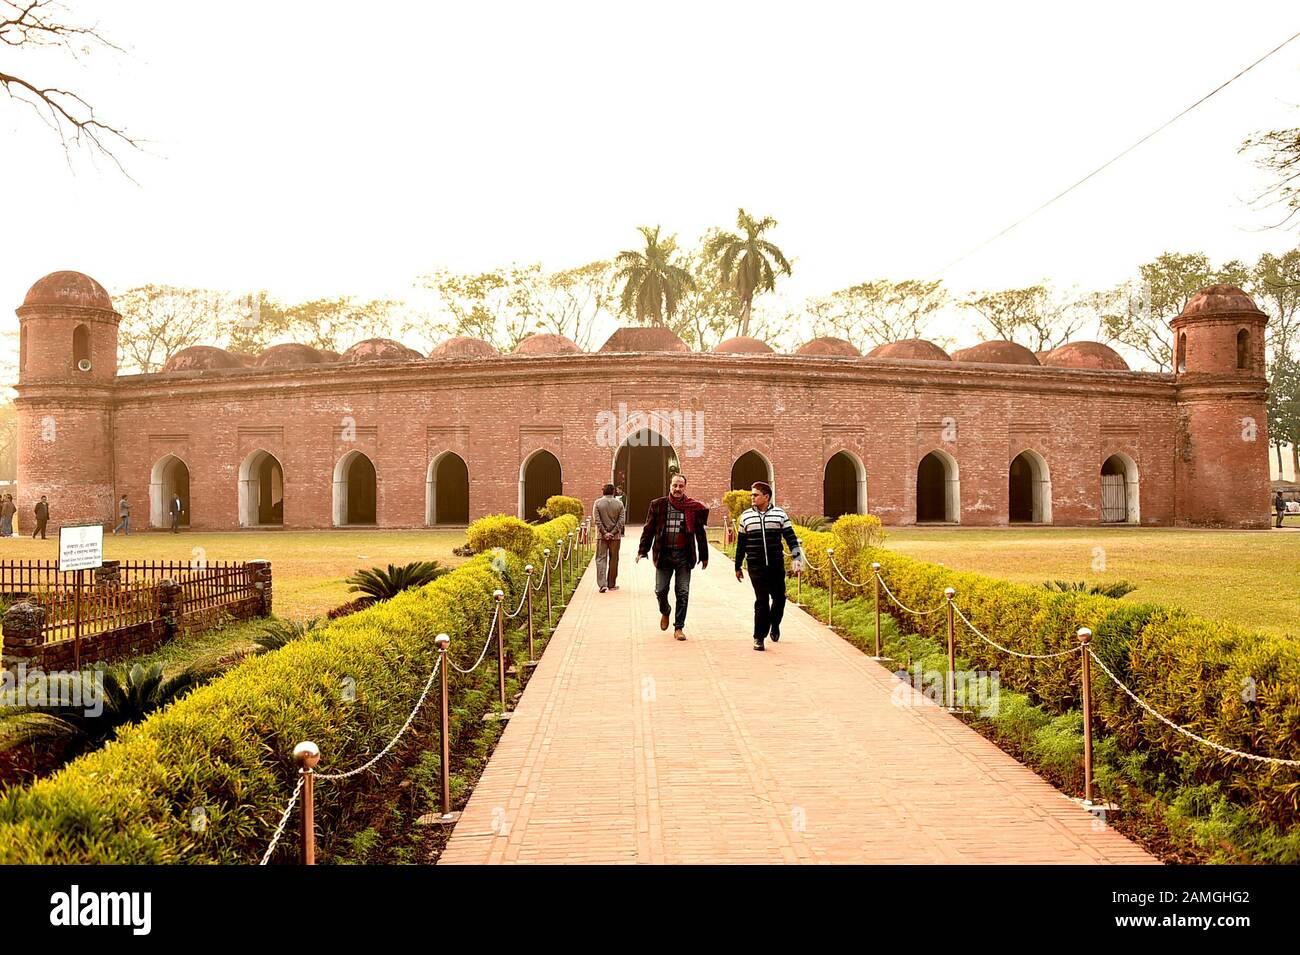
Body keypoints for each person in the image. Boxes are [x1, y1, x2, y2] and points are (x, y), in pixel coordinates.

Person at [637, 473, 708, 641]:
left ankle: (679, 627)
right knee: (660, 590)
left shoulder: (692, 507)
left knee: (682, 592)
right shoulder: (658, 505)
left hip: (684, 554)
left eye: (681, 486)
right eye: (675, 485)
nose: (677, 489)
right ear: (670, 486)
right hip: (664, 554)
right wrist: (642, 550)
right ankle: (665, 611)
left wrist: (704, 555)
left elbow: (700, 533)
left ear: (685, 488)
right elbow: (649, 529)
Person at [734, 481, 803, 651]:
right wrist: (737, 566)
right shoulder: (746, 516)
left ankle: (775, 623)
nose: (752, 497)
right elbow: (741, 544)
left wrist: (797, 556)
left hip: (775, 564)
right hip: (755, 566)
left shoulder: (780, 515)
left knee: (779, 598)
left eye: (755, 495)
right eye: (752, 494)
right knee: (762, 601)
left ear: (766, 496)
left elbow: (790, 537)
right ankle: (759, 637)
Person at [592, 483, 626, 593]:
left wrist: (604, 532)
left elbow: (597, 520)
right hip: (615, 537)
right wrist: (613, 532)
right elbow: (621, 521)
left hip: (601, 537)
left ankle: (602, 584)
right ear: (613, 492)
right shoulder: (619, 504)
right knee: (614, 559)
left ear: (603, 491)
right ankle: (611, 584)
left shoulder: (597, 503)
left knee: (601, 558)